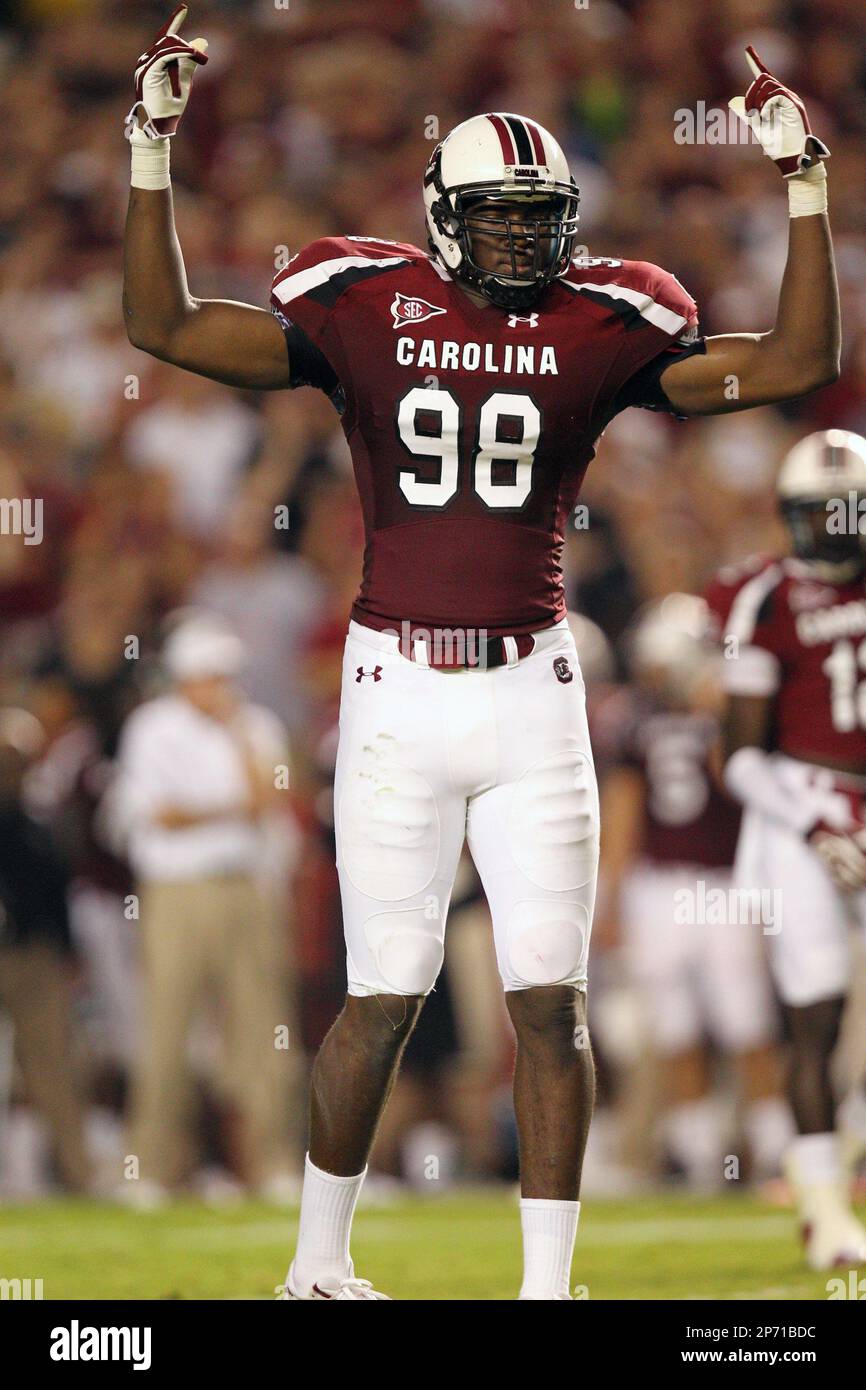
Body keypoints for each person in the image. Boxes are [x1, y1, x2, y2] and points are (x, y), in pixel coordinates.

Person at [123, 7, 839, 1299]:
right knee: (382, 992)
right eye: (499, 211)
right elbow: (166, 327)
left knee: (548, 996)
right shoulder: (362, 299)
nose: (524, 234)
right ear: (443, 213)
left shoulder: (601, 317)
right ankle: (316, 1265)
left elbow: (799, 359)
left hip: (532, 686)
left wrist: (804, 189)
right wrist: (151, 154)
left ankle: (545, 1289)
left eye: (540, 211)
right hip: (395, 684)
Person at [708, 430, 866, 1270]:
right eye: (822, 514)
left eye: (850, 513)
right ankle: (825, 1210)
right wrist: (816, 822)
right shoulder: (758, 598)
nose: (837, 530)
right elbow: (736, 752)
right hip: (799, 811)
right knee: (818, 1010)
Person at [596, 596, 788, 1190]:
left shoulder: (727, 714)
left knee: (747, 1026)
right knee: (676, 1030)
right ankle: (706, 1162)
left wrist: (725, 715)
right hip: (659, 887)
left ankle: (775, 1158)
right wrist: (611, 895)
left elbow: (748, 787)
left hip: (728, 884)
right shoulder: (635, 720)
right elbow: (625, 810)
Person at [112, 611, 298, 1202]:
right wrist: (230, 807)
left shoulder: (255, 726)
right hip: (176, 892)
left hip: (246, 886)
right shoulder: (151, 727)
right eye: (207, 674)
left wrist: (235, 746)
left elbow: (270, 798)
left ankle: (270, 1167)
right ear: (183, 675)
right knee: (166, 1027)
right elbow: (160, 814)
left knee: (263, 1030)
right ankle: (152, 1169)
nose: (218, 685)